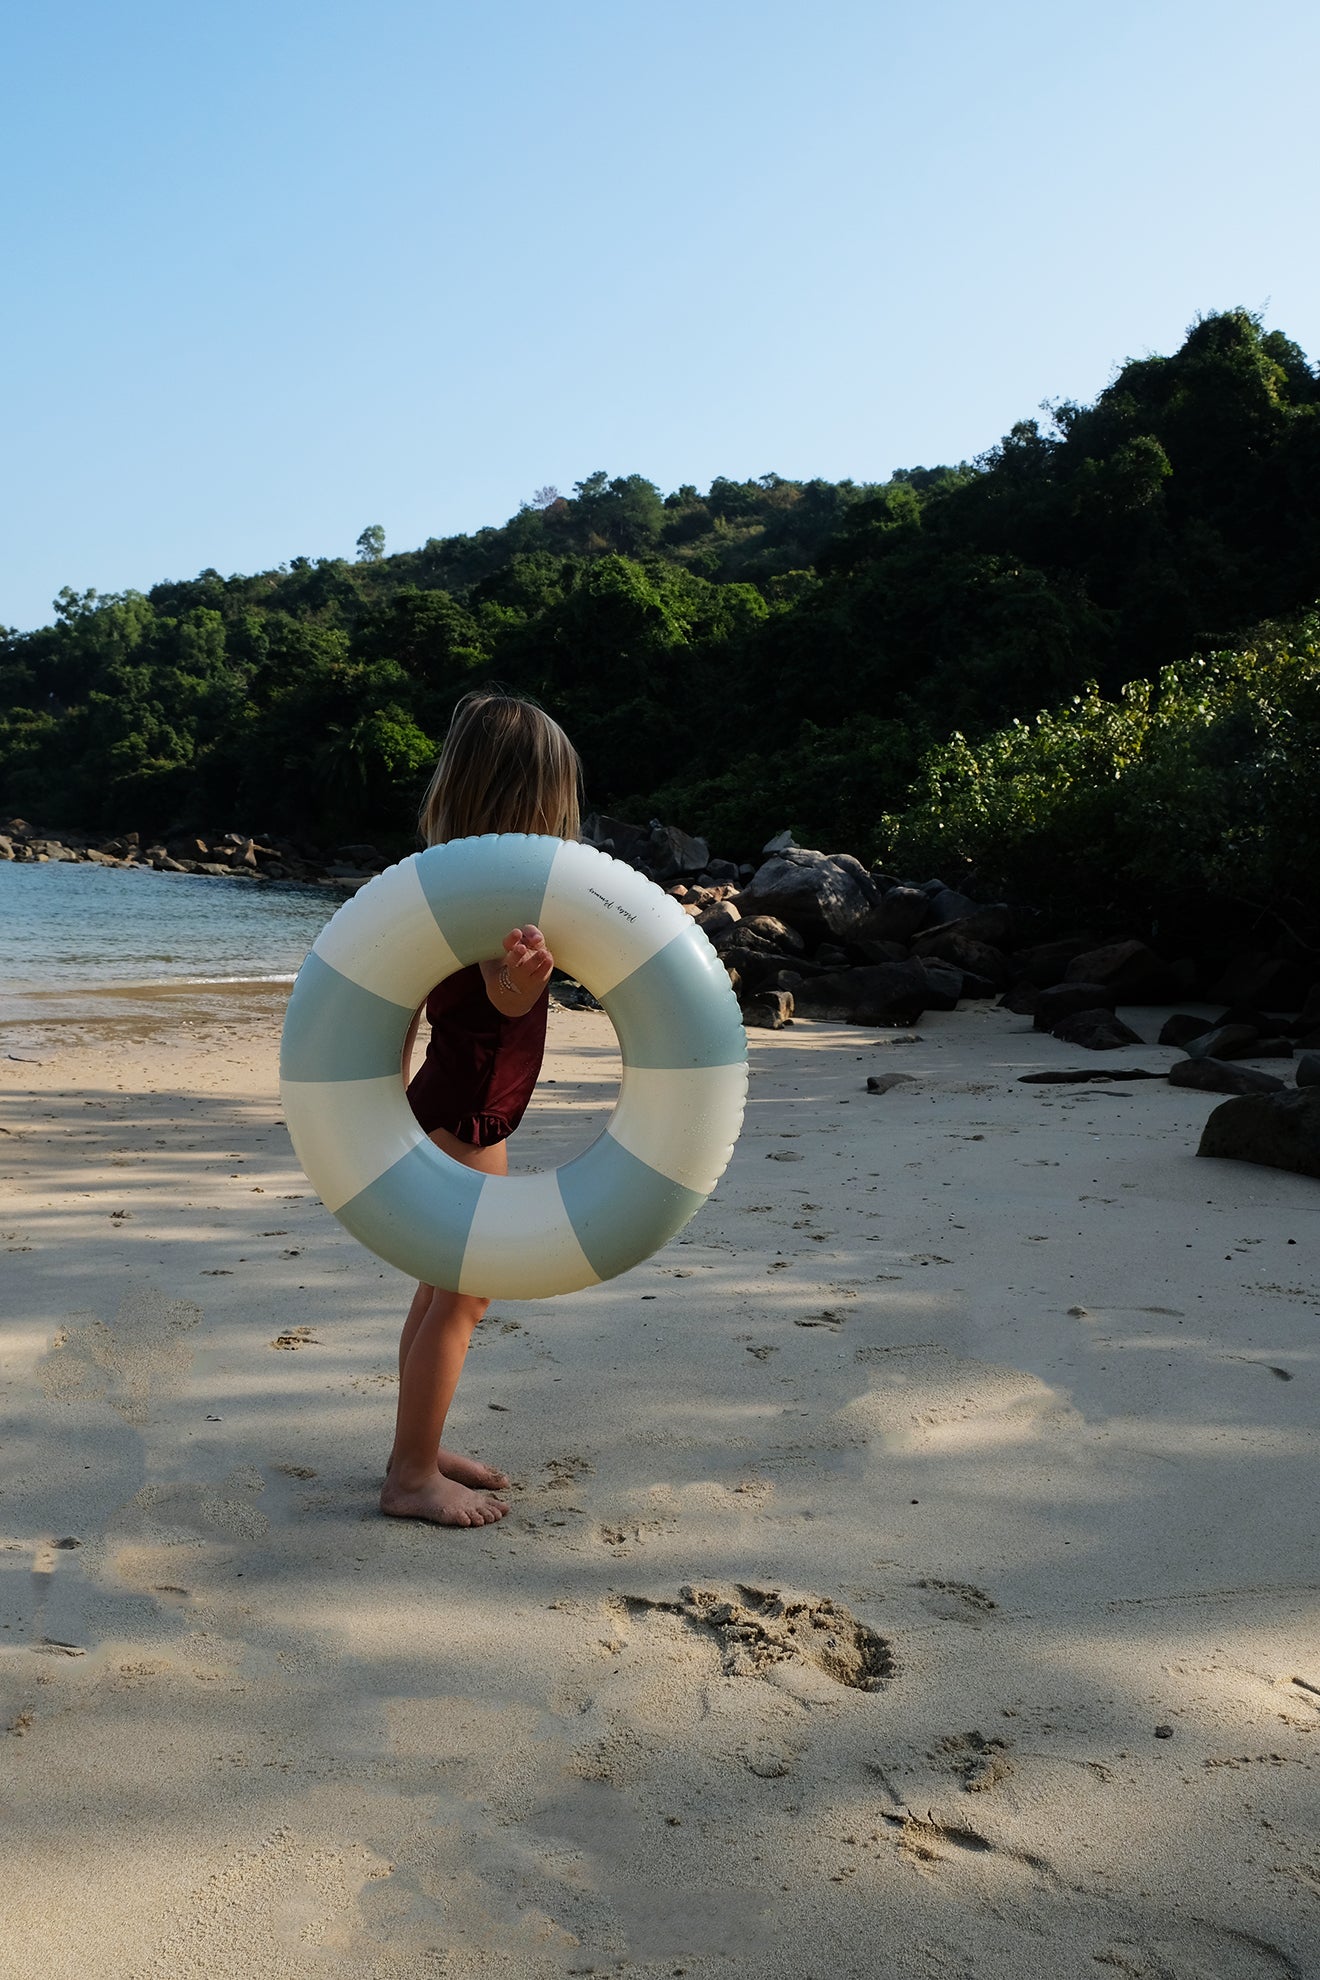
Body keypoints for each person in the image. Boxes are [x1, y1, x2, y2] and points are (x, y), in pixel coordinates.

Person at [381, 690, 581, 1527]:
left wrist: (383, 1112)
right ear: (535, 801)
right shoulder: (500, 897)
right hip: (469, 1112)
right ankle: (411, 1476)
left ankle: (417, 1448)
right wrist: (519, 983)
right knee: (465, 1296)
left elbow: (404, 1008)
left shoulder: (439, 887)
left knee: (440, 1291)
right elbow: (495, 996)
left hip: (448, 1101)